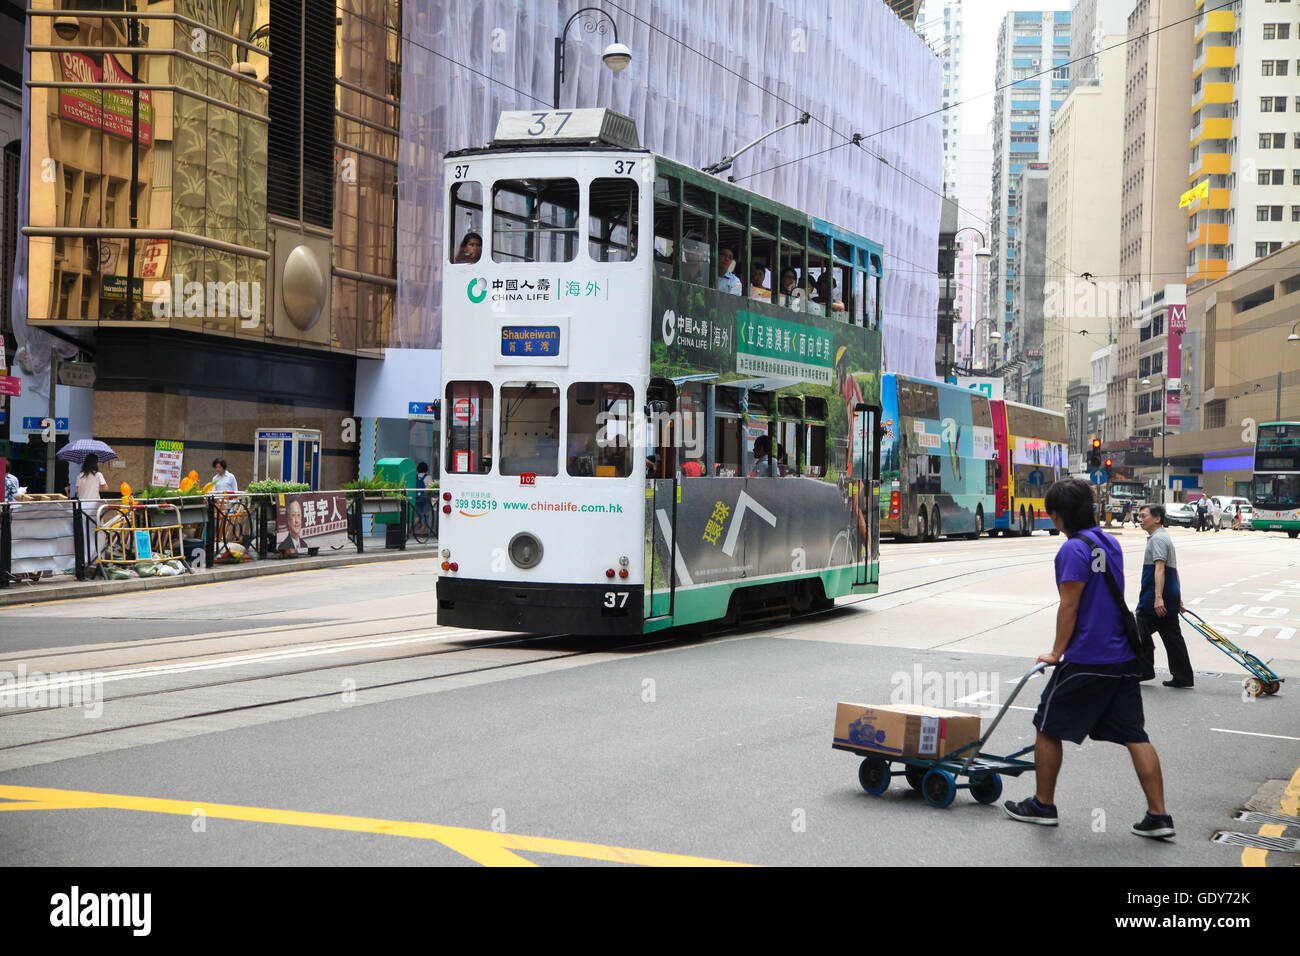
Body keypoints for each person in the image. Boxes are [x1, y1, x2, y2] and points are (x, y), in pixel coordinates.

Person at [1003, 477, 1174, 838]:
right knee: (1135, 735)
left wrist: (1056, 652)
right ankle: (1159, 816)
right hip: (1122, 658)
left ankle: (1043, 804)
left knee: (1046, 727)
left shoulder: (1071, 550)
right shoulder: (1109, 542)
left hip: (1086, 659)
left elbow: (1070, 605)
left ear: (1059, 517)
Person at [1137, 504, 1193, 689]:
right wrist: (1177, 596)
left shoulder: (1158, 539)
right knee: (1172, 636)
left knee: (1138, 630)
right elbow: (1174, 570)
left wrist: (1158, 596)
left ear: (1157, 518)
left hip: (1155, 595)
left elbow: (1160, 568)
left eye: (1144, 516)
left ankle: (1144, 671)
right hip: (1168, 594)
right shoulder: (1162, 537)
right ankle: (1183, 676)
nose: (1140, 519)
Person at [74, 454, 108, 564]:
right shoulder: (98, 475)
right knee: (97, 532)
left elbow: (77, 491)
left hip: (83, 507)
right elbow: (105, 488)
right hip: (95, 508)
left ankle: (84, 559)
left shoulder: (80, 475)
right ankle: (97, 558)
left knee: (84, 533)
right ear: (95, 463)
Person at [414, 462, 433, 535]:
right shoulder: (428, 477)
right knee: (425, 515)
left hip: (417, 498)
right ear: (426, 469)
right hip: (425, 499)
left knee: (417, 516)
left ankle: (410, 530)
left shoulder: (415, 477)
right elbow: (431, 487)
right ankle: (422, 532)